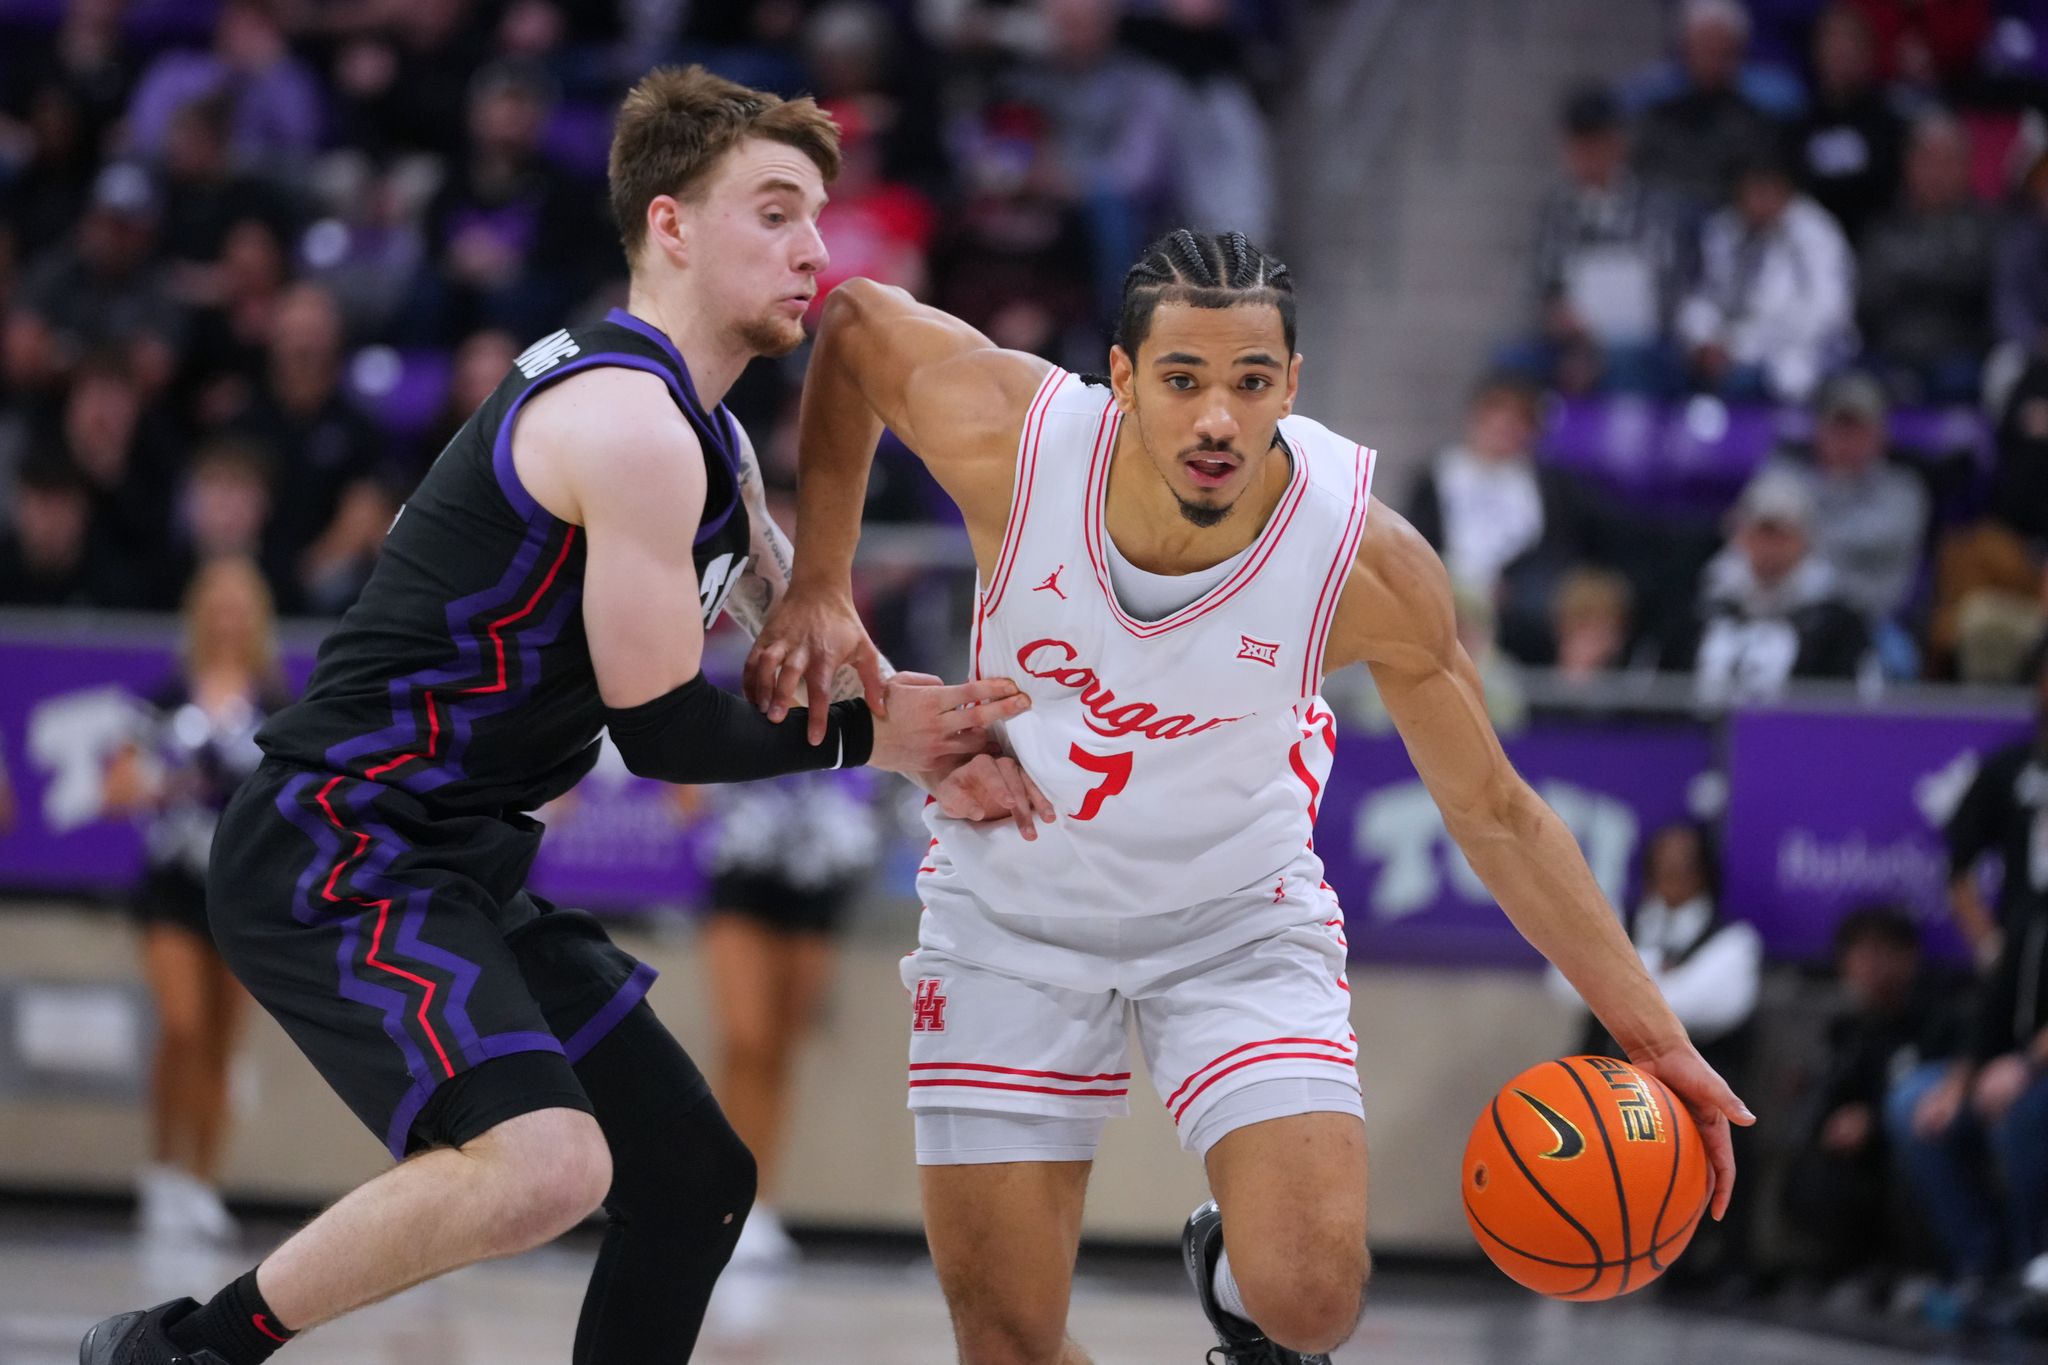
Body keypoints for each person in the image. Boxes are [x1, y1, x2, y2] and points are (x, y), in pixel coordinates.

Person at [79, 65, 1028, 1365]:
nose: (813, 247)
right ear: (670, 225)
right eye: (773, 210)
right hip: (345, 841)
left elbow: (805, 659)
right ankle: (180, 1350)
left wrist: (934, 737)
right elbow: (664, 733)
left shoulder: (712, 445)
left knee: (693, 1182)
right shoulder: (626, 426)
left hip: (458, 857)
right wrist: (888, 738)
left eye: (819, 213)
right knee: (547, 1164)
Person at [749, 229, 1753, 1364]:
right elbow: (855, 326)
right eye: (1180, 380)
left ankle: (1234, 1286)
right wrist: (821, 580)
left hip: (1234, 918)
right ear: (1120, 379)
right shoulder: (1013, 441)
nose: (1216, 418)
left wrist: (1652, 1033)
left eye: (1249, 381)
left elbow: (1495, 811)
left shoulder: (1363, 561)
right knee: (1007, 1342)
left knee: (1313, 1297)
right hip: (1011, 908)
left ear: (1292, 385)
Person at [100, 558, 290, 1244]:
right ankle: (161, 1167)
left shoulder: (275, 703)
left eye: (242, 602)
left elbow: (293, 797)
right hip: (171, 887)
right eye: (218, 601)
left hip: (241, 890)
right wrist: (171, 780)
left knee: (220, 1041)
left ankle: (202, 1183)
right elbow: (115, 788)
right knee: (179, 1023)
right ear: (199, 611)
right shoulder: (166, 696)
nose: (229, 614)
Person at [696, 767, 882, 1266]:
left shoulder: (848, 693)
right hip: (744, 864)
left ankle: (759, 1203)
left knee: (781, 1048)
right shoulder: (738, 688)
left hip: (819, 870)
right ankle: (723, 1202)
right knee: (746, 1040)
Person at [1781, 906, 1964, 1298]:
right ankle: (1842, 1272)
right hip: (1859, 1163)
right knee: (1810, 1170)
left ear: (1909, 957)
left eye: (1882, 952)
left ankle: (1919, 1276)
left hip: (1915, 1146)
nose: (1870, 966)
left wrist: (1875, 1121)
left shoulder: (1939, 1020)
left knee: (1909, 1163)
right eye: (1859, 954)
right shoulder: (1851, 1030)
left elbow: (1941, 1094)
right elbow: (1830, 1096)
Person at [1677, 150, 1857, 403]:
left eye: (1768, 190)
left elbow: (1826, 313)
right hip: (1730, 352)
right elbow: (1700, 296)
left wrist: (1737, 347)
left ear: (1786, 192)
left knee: (1769, 379)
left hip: (1801, 353)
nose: (1760, 200)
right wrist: (1703, 340)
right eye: (1753, 190)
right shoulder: (1722, 230)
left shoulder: (1815, 234)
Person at [1686, 469, 1875, 705]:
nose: (1769, 548)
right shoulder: (1700, 609)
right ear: (1740, 537)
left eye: (1781, 536)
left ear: (1806, 540)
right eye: (1761, 533)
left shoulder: (1837, 624)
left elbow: (1852, 706)